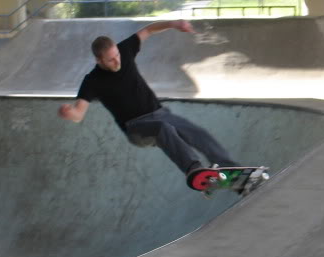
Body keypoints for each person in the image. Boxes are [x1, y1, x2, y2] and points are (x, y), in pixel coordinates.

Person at [58, 20, 239, 190]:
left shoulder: (125, 50)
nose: (117, 61)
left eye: (117, 55)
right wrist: (70, 113)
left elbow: (148, 30)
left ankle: (233, 173)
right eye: (111, 60)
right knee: (163, 128)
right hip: (136, 128)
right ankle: (195, 171)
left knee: (197, 133)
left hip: (160, 113)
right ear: (99, 61)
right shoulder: (92, 81)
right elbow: (79, 114)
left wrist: (175, 24)